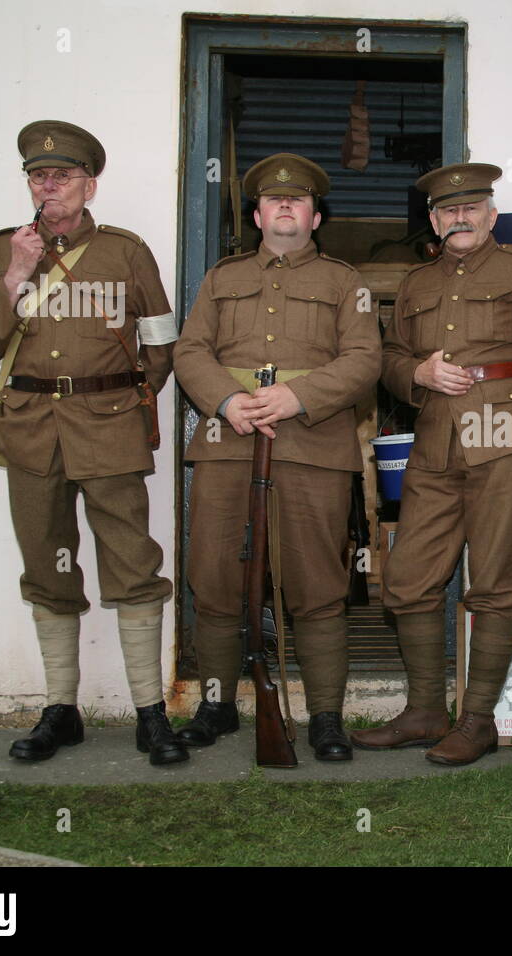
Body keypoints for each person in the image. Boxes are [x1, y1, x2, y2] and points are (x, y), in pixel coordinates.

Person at [0, 120, 185, 765]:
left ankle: (150, 714)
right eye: (38, 175)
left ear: (89, 184)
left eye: (62, 175)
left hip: (109, 427)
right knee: (46, 567)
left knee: (133, 564)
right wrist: (16, 276)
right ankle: (60, 711)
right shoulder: (3, 248)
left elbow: (161, 340)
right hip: (30, 431)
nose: (48, 185)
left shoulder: (126, 251)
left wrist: (135, 400)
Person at [351, 162, 512, 766]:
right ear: (434, 220)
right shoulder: (417, 281)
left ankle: (478, 722)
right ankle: (423, 712)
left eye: (471, 208)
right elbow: (388, 358)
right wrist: (416, 373)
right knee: (408, 578)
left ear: (491, 215)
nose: (459, 218)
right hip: (436, 442)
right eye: (448, 211)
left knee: (494, 584)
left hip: (508, 436)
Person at [174, 153, 380, 760]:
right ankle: (216, 706)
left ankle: (325, 717)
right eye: (273, 200)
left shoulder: (347, 283)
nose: (285, 207)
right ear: (258, 213)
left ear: (316, 216)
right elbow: (190, 352)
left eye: (298, 201)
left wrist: (297, 396)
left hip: (313, 451)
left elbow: (365, 360)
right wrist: (227, 400)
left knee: (317, 585)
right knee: (213, 581)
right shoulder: (220, 278)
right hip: (226, 448)